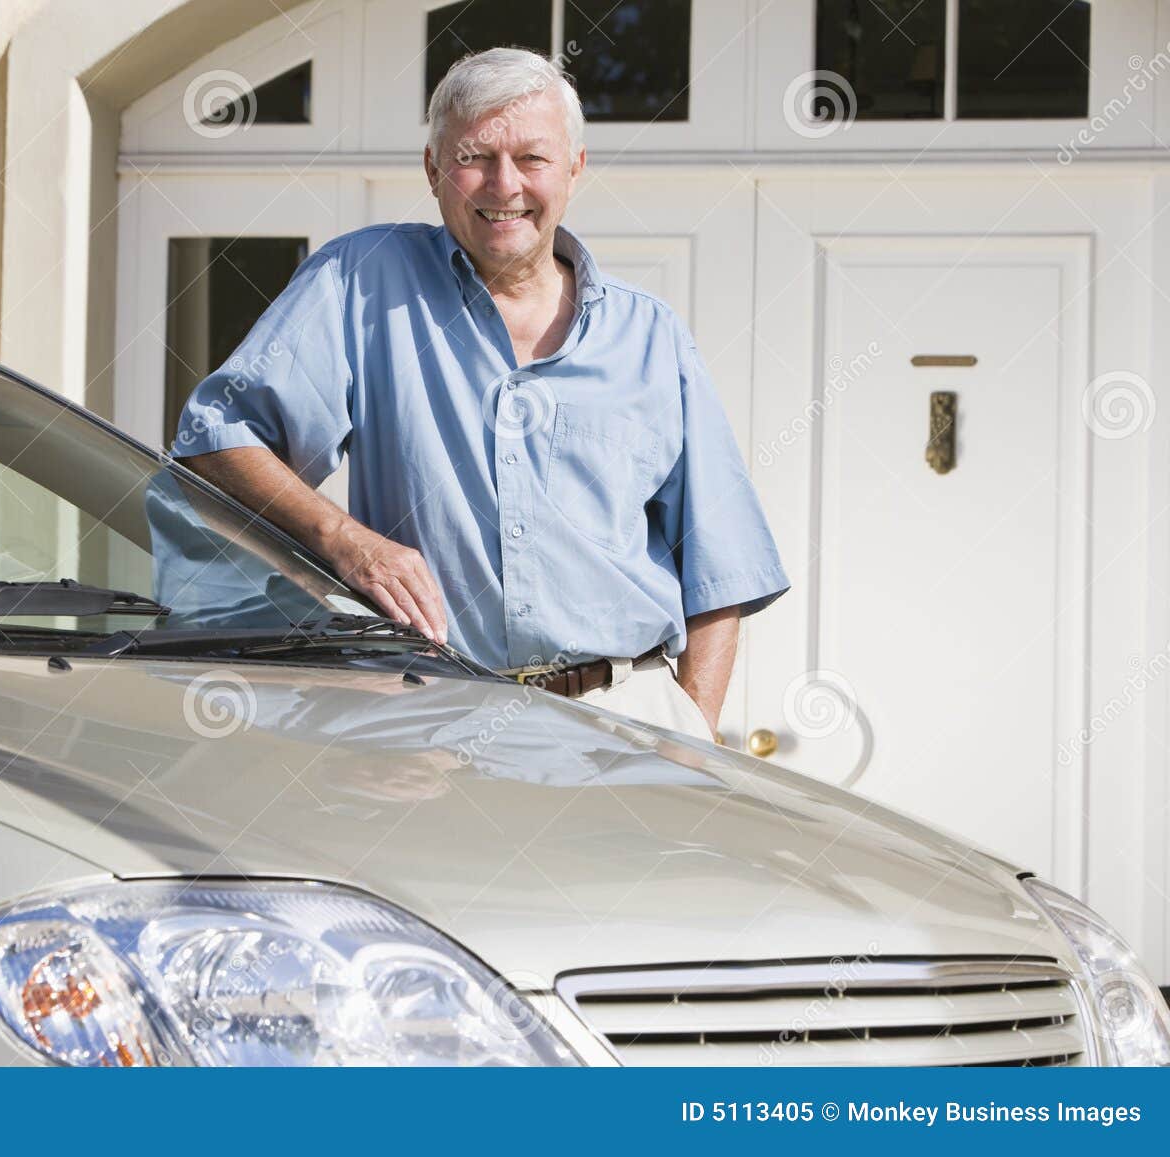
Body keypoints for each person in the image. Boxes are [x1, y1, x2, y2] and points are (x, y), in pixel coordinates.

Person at [172, 47, 788, 741]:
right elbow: (216, 439)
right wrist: (346, 543)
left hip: (624, 726)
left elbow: (720, 568)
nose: (503, 186)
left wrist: (691, 728)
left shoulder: (651, 337)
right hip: (428, 721)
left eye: (532, 159)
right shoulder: (361, 282)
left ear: (574, 170)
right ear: (433, 168)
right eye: (474, 156)